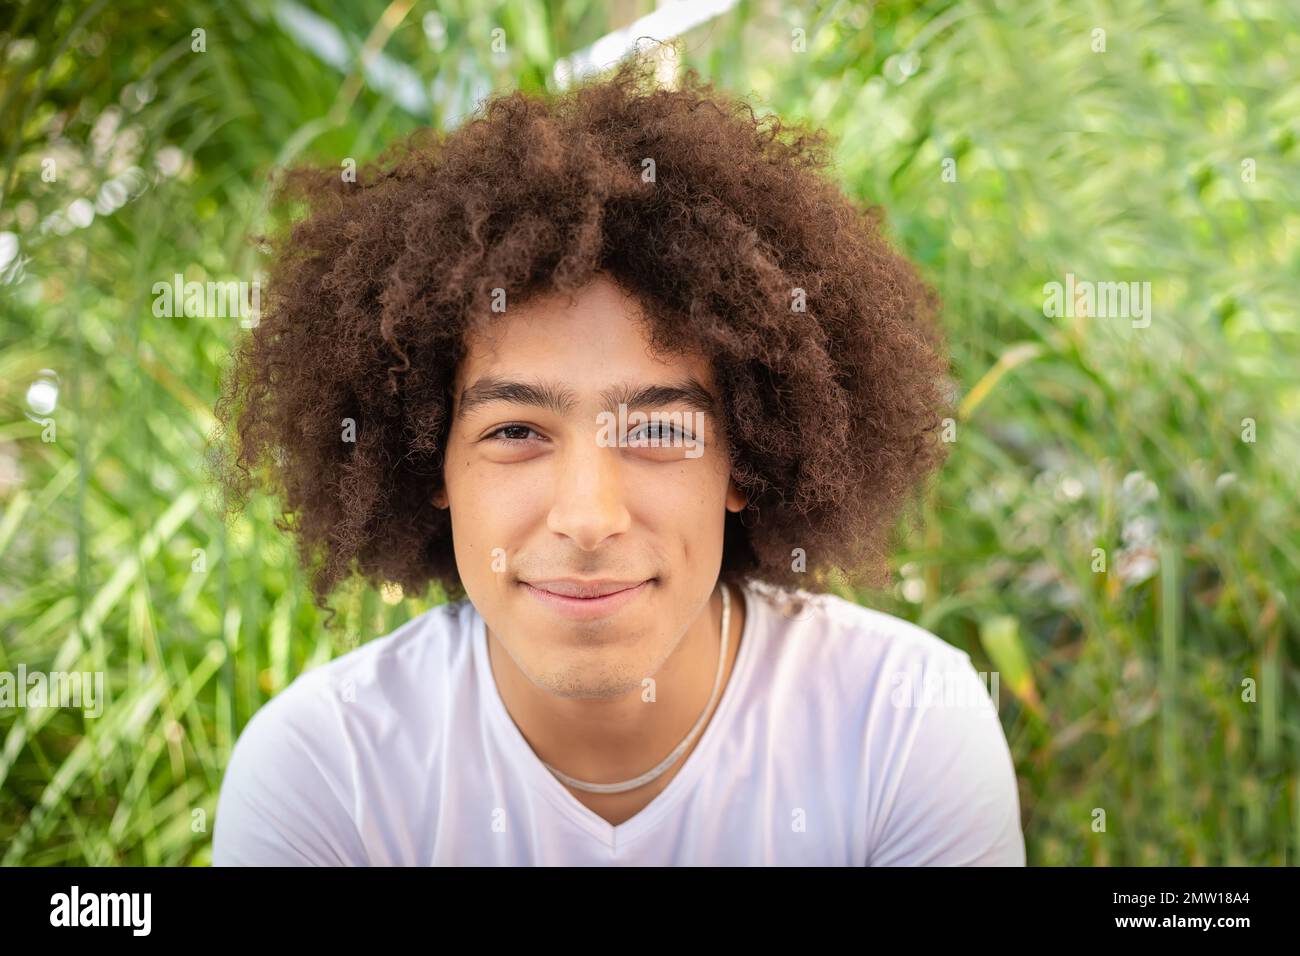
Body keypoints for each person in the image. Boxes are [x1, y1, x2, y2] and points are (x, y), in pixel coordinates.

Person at [210, 52, 1024, 866]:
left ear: (747, 460)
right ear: (430, 467)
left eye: (661, 432)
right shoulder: (324, 775)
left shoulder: (903, 725)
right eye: (516, 431)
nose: (589, 518)